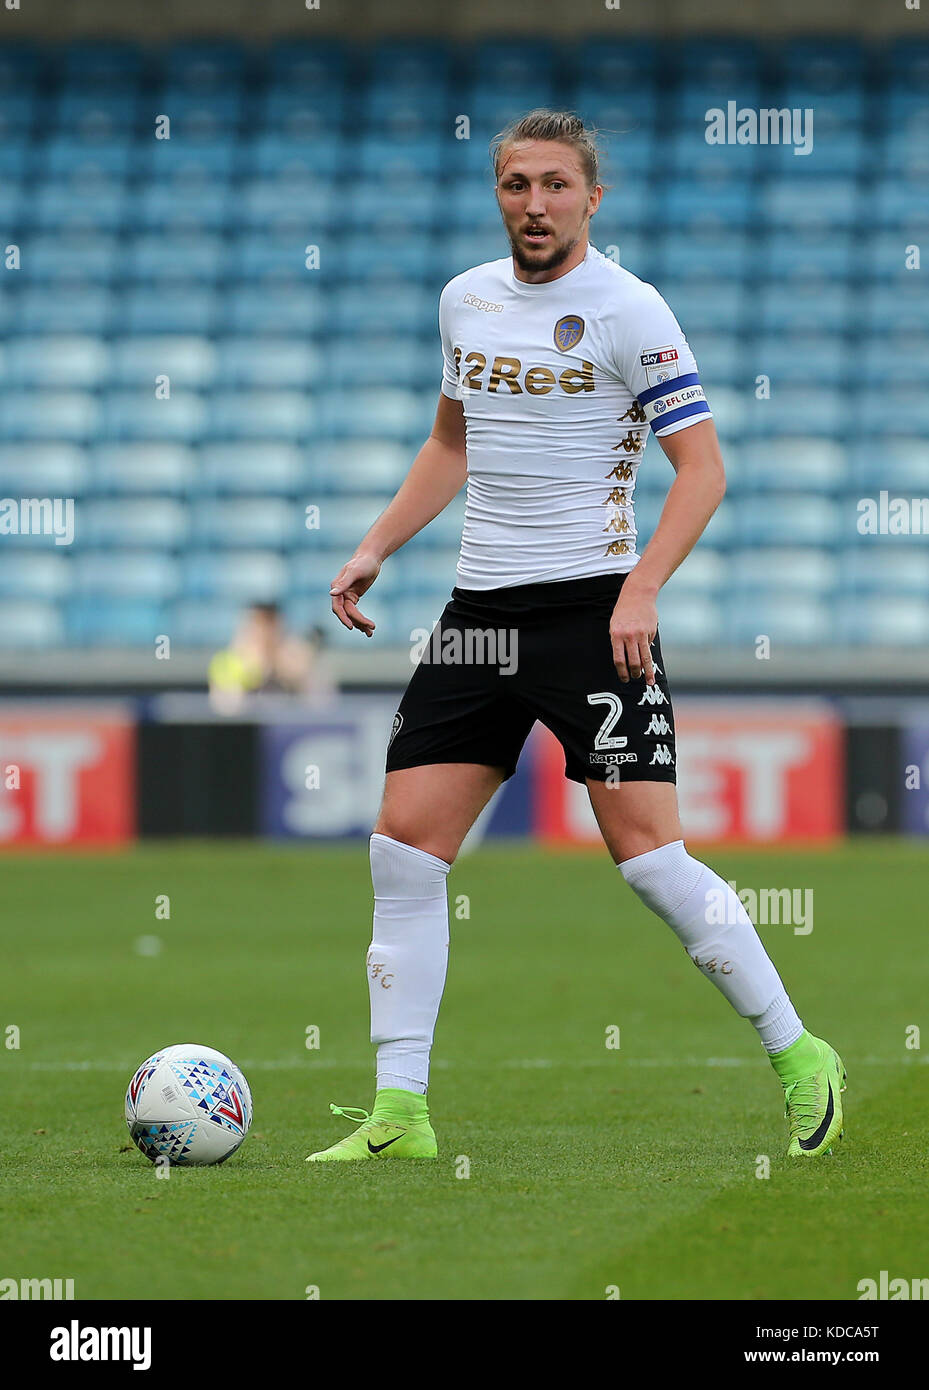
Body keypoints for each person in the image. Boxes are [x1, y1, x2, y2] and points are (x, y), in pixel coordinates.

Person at [309, 110, 845, 1164]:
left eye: (555, 185)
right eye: (516, 184)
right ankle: (400, 1113)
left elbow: (704, 470)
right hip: (476, 619)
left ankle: (798, 1053)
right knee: (403, 851)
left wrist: (642, 587)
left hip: (593, 615)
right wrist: (376, 543)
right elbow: (448, 442)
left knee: (647, 858)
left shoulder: (629, 309)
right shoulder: (463, 300)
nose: (535, 204)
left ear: (590, 198)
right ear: (496, 192)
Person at [208, 604, 334, 712]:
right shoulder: (227, 661)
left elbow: (322, 704)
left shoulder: (296, 656)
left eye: (271, 625)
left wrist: (297, 675)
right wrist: (257, 672)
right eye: (259, 625)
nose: (265, 633)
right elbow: (226, 708)